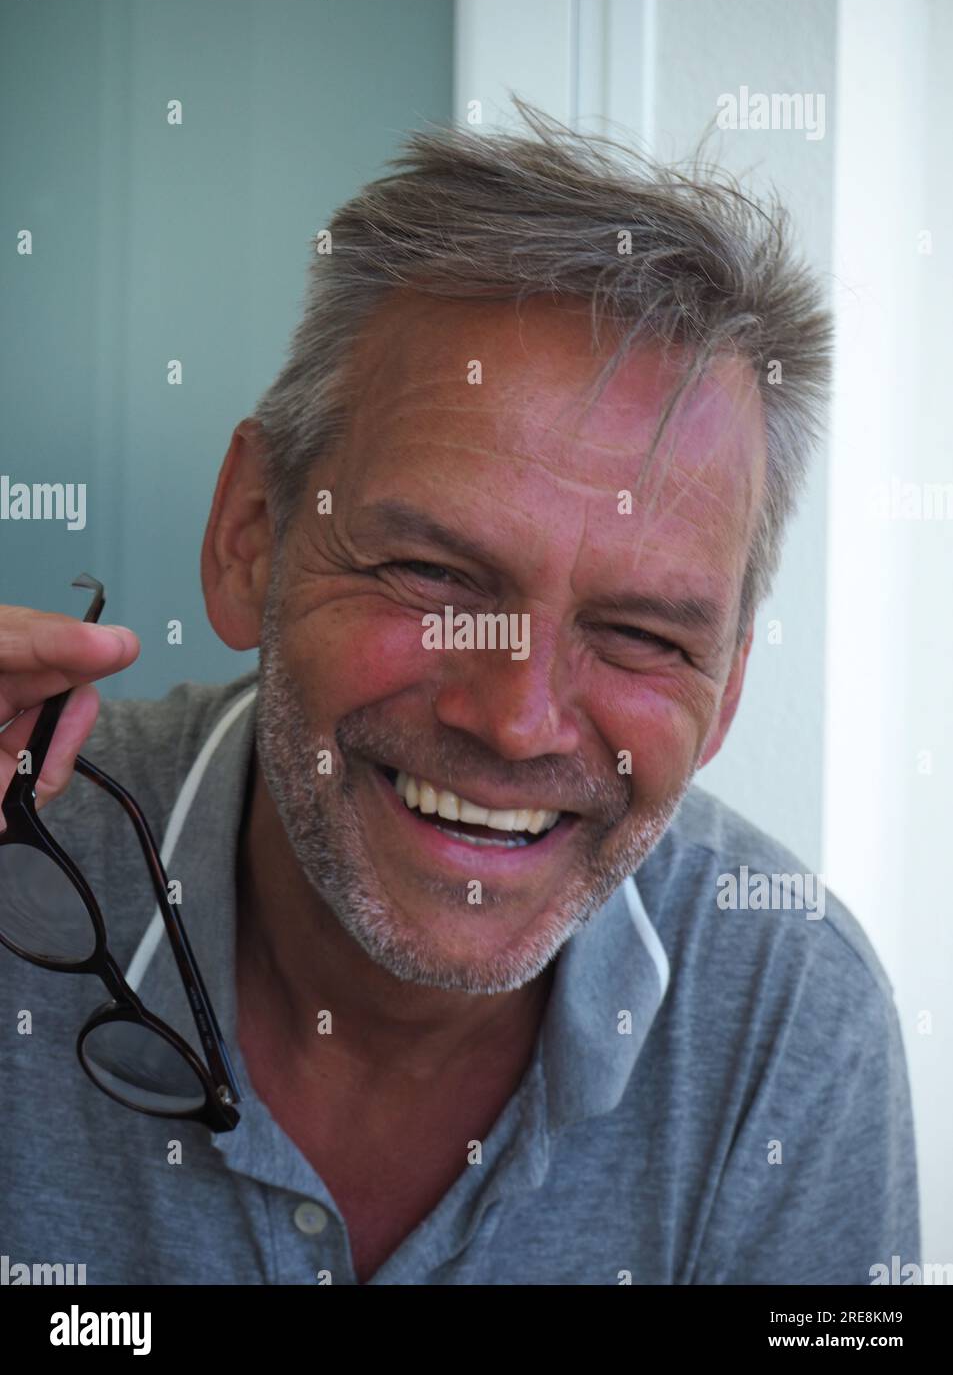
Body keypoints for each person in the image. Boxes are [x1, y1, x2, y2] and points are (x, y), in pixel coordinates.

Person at [0, 99, 918, 1285]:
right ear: (249, 536)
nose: (516, 717)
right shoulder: (21, 848)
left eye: (639, 635)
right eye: (432, 575)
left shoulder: (788, 1017)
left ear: (727, 690)